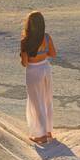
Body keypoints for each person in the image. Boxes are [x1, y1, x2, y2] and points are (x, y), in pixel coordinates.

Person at [20, 11, 57, 145]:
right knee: (47, 99)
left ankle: (41, 136)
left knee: (36, 101)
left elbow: (25, 63)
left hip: (33, 71)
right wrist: (43, 52)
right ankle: (48, 131)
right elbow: (53, 54)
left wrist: (24, 53)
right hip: (46, 68)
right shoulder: (47, 38)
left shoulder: (25, 41)